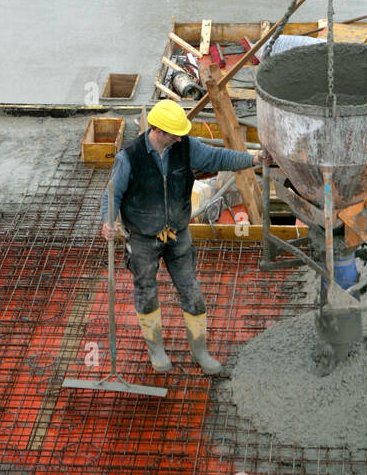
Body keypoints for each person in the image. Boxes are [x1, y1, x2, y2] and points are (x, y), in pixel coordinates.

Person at [98, 100, 273, 374]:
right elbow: (113, 193)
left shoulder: (185, 147)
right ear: (157, 131)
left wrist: (253, 158)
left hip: (177, 234)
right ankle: (156, 350)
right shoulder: (129, 158)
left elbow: (219, 158)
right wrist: (108, 221)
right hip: (142, 237)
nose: (179, 137)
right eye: (174, 133)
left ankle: (200, 351)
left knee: (192, 290)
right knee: (146, 290)